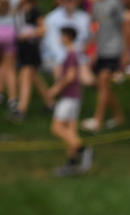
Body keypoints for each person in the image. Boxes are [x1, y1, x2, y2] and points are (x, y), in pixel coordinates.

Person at [48, 26, 92, 177]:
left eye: (62, 36)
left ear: (67, 37)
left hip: (69, 97)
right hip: (74, 97)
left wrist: (55, 89)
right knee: (71, 130)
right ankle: (72, 163)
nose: (60, 39)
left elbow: (71, 76)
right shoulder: (72, 54)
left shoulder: (71, 54)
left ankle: (83, 150)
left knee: (56, 128)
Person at [81, 0, 125, 133]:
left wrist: (126, 52)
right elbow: (95, 28)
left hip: (114, 50)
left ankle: (98, 120)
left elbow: (123, 26)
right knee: (104, 85)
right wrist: (91, 45)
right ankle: (118, 116)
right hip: (101, 50)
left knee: (103, 83)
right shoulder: (96, 6)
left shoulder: (115, 4)